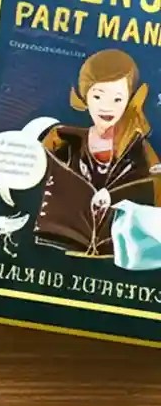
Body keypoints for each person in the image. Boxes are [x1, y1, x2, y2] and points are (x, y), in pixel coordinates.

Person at [34, 49, 161, 257]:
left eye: (117, 99)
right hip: (60, 246)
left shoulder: (139, 149)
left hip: (119, 252)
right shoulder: (62, 140)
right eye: (98, 96)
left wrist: (117, 196)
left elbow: (156, 198)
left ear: (130, 100)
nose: (106, 107)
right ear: (84, 97)